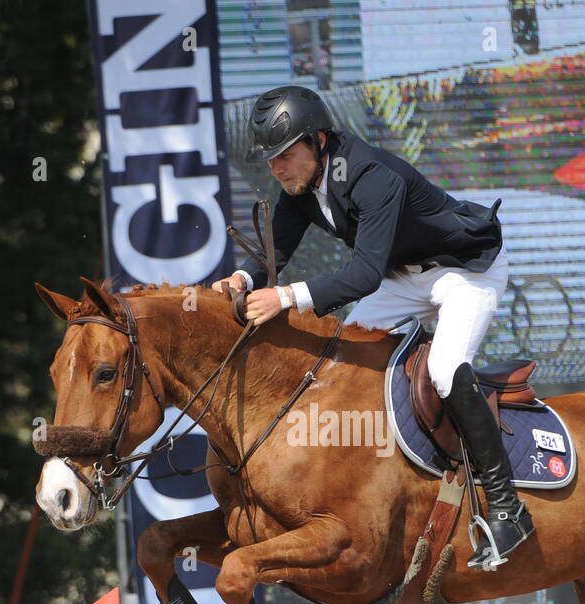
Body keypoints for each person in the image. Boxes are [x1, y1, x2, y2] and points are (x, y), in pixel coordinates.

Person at [215, 85, 532, 569]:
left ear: (319, 140)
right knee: (341, 353)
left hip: (466, 272)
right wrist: (239, 280)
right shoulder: (301, 186)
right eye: (270, 160)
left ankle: (508, 509)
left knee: (446, 368)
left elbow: (362, 276)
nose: (276, 169)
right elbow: (273, 250)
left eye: (285, 155)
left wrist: (284, 297)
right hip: (407, 280)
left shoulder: (371, 175)